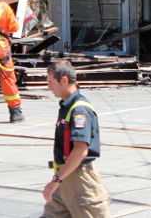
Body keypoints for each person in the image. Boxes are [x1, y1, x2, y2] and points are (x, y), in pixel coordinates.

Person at [42, 59, 110, 218]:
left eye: (51, 82)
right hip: (65, 176)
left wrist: (57, 180)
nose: (48, 87)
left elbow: (80, 150)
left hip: (79, 179)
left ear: (64, 80)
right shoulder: (67, 106)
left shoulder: (79, 110)